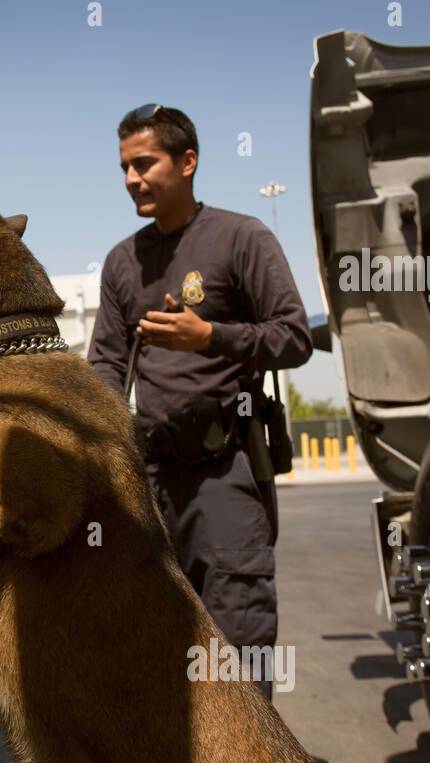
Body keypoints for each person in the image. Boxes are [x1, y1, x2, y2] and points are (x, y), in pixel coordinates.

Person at [87, 103, 312, 699]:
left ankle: (250, 762)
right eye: (125, 167)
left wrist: (210, 336)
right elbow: (106, 365)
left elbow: (294, 337)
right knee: (159, 659)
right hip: (151, 482)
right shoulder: (122, 262)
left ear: (186, 162)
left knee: (236, 656)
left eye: (144, 164)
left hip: (225, 476)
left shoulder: (241, 237)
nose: (132, 179)